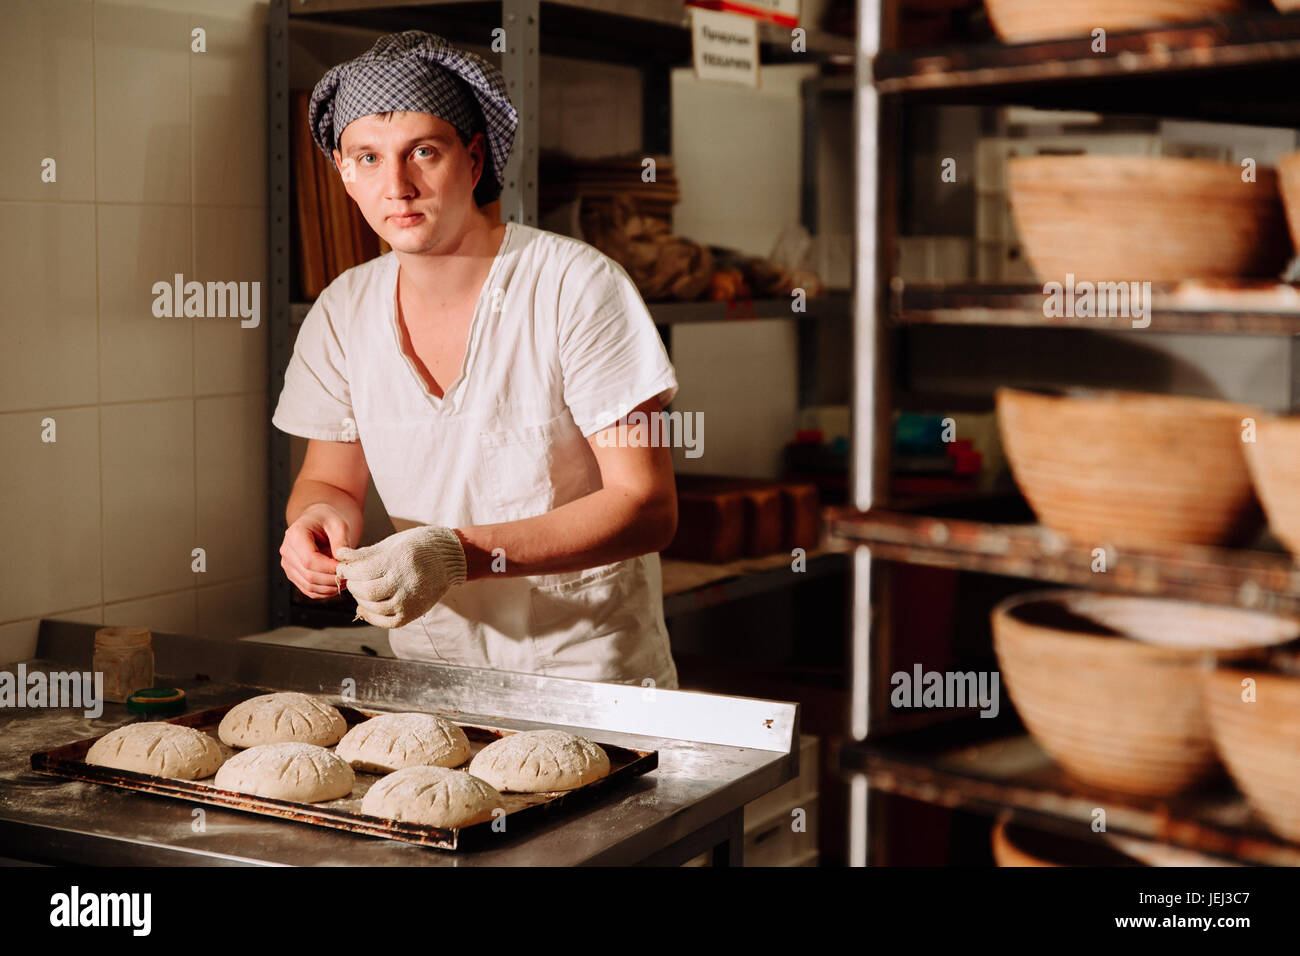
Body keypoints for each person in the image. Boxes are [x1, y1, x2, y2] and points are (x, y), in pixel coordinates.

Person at [273, 30, 680, 688]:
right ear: (344, 174)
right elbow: (331, 483)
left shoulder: (574, 286)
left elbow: (647, 506)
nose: (397, 186)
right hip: (434, 676)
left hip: (591, 676)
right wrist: (316, 524)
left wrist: (455, 555)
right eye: (368, 158)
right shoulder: (342, 312)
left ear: (473, 157)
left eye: (422, 153)